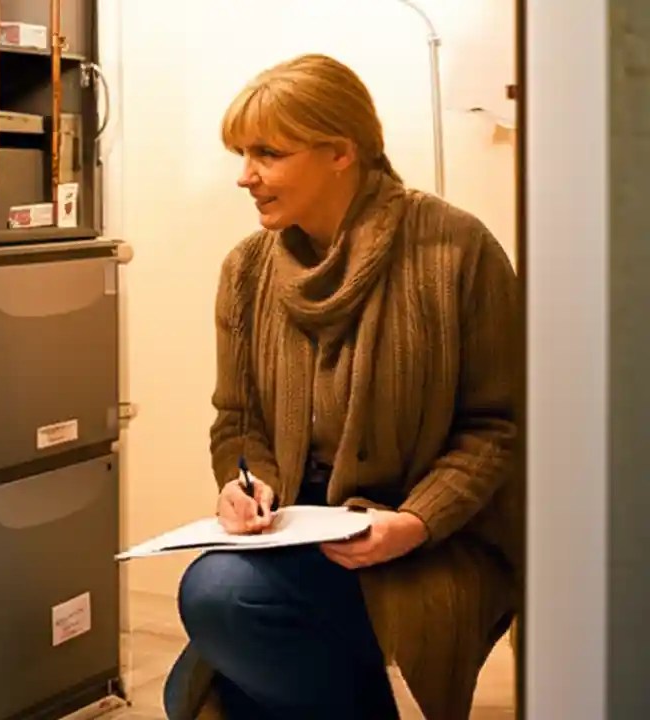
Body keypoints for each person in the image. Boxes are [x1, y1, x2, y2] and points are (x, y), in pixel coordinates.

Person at [163, 54, 524, 720]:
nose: (245, 176)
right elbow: (237, 420)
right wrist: (246, 483)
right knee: (214, 646)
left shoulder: (456, 250)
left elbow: (498, 426)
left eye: (268, 154)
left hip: (434, 535)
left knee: (224, 616)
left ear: (340, 152)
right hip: (301, 530)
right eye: (242, 154)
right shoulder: (246, 271)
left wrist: (414, 523)